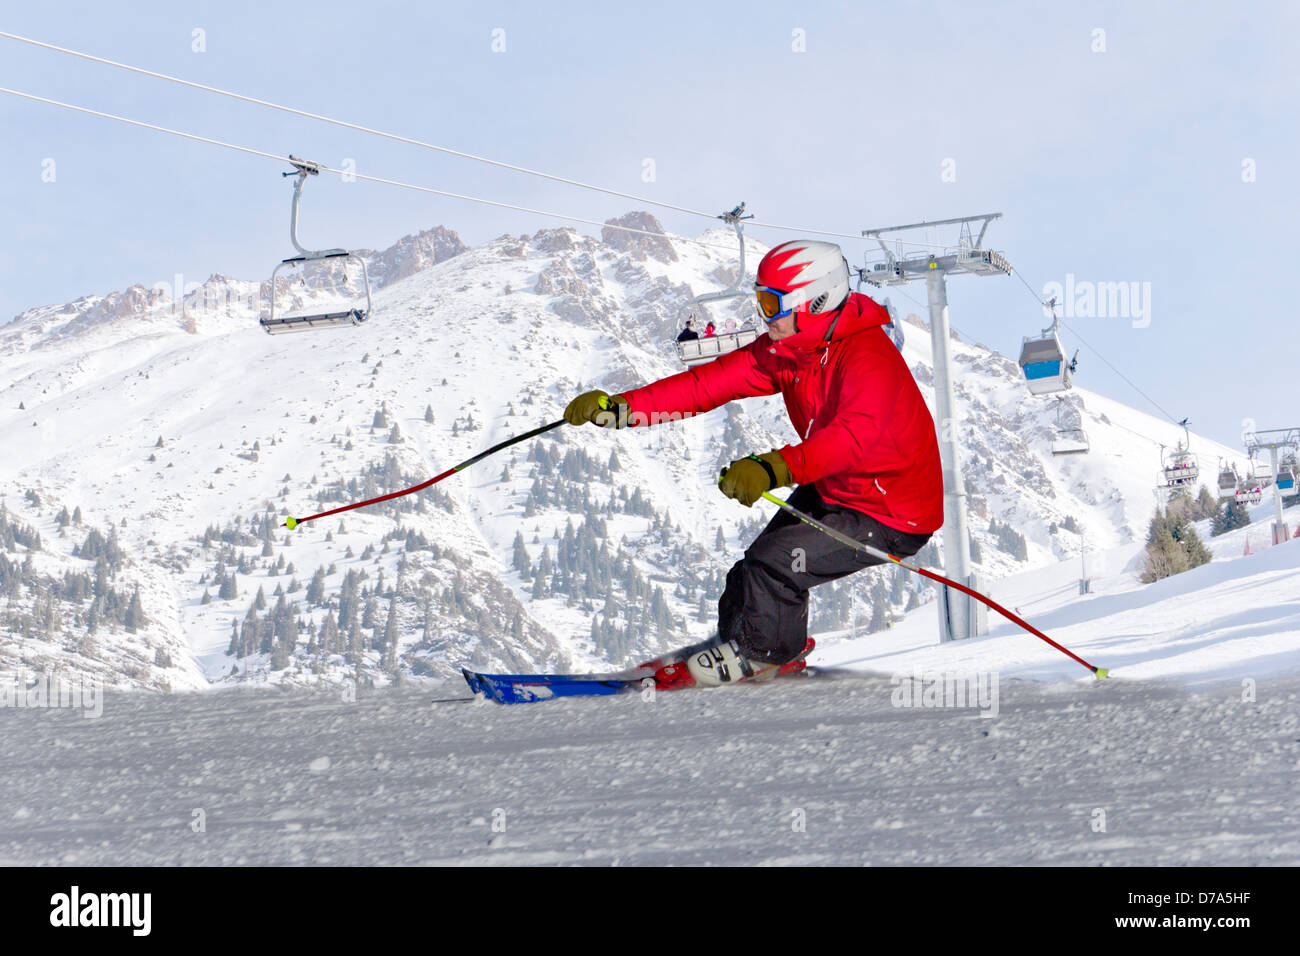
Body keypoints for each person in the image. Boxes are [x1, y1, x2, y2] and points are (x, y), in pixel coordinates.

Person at [564, 239, 943, 687]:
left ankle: (764, 656)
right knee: (749, 572)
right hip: (839, 488)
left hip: (893, 512)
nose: (763, 316)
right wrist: (625, 408)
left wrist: (772, 468)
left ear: (813, 301)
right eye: (760, 301)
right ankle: (749, 645)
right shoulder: (792, 350)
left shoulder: (867, 358)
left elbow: (850, 439)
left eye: (771, 303)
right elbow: (709, 384)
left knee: (776, 564)